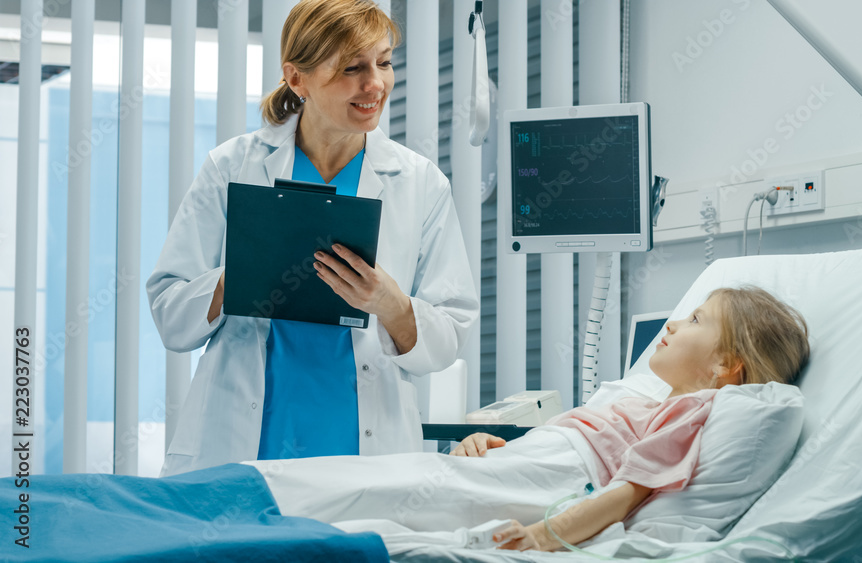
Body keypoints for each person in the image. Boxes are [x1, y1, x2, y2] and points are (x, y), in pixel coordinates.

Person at [147, 0, 478, 476]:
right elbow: (170, 313)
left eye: (383, 62)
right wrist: (238, 275)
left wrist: (389, 301)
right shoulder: (231, 166)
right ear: (296, 78)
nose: (375, 84)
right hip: (244, 446)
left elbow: (448, 336)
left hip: (362, 449)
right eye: (353, 67)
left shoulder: (420, 182)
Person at [249, 286, 810, 552]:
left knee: (396, 487)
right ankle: (251, 506)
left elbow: (628, 492)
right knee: (401, 480)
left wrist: (544, 535)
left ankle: (247, 512)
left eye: (695, 319)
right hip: (534, 462)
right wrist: (490, 445)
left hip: (564, 474)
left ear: (726, 367)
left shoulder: (696, 410)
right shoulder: (649, 400)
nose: (674, 322)